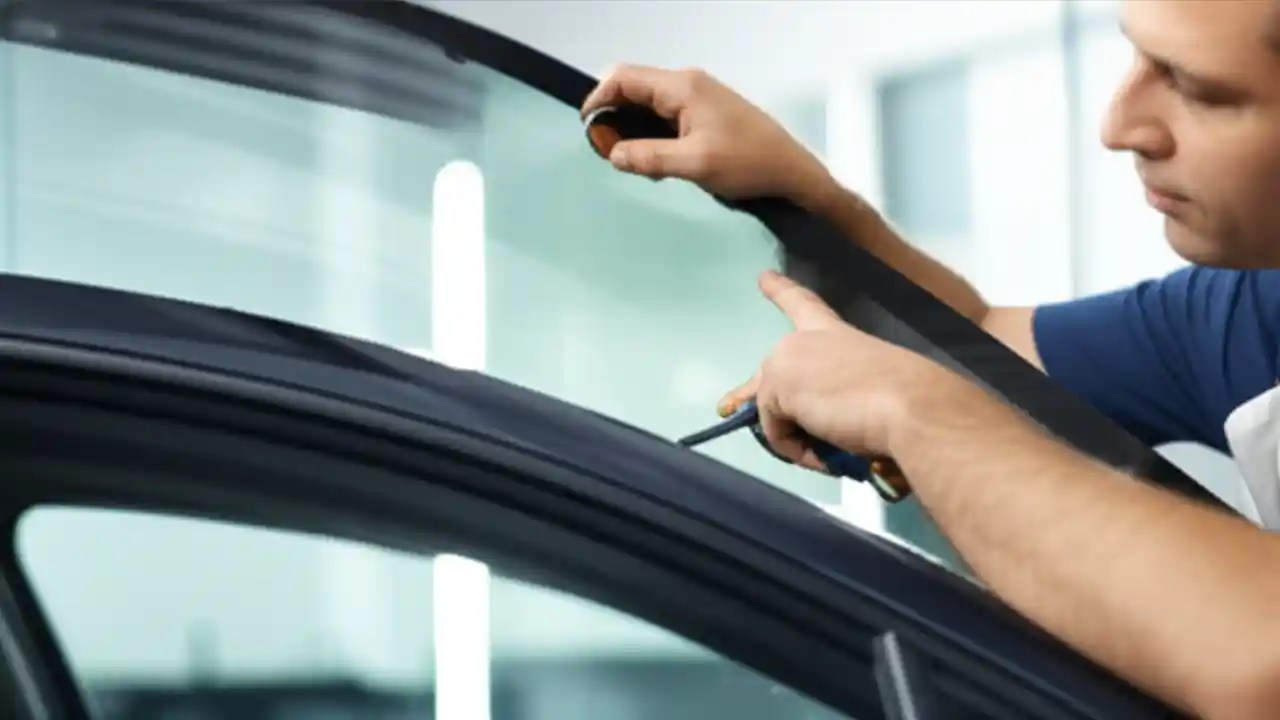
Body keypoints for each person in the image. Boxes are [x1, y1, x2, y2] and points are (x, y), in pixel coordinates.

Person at [582, 1, 1280, 718]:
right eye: (1136, 57)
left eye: (1197, 90)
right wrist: (801, 197)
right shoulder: (1250, 309)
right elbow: (980, 357)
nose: (1119, 126)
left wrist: (913, 415)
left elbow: (1266, 662)